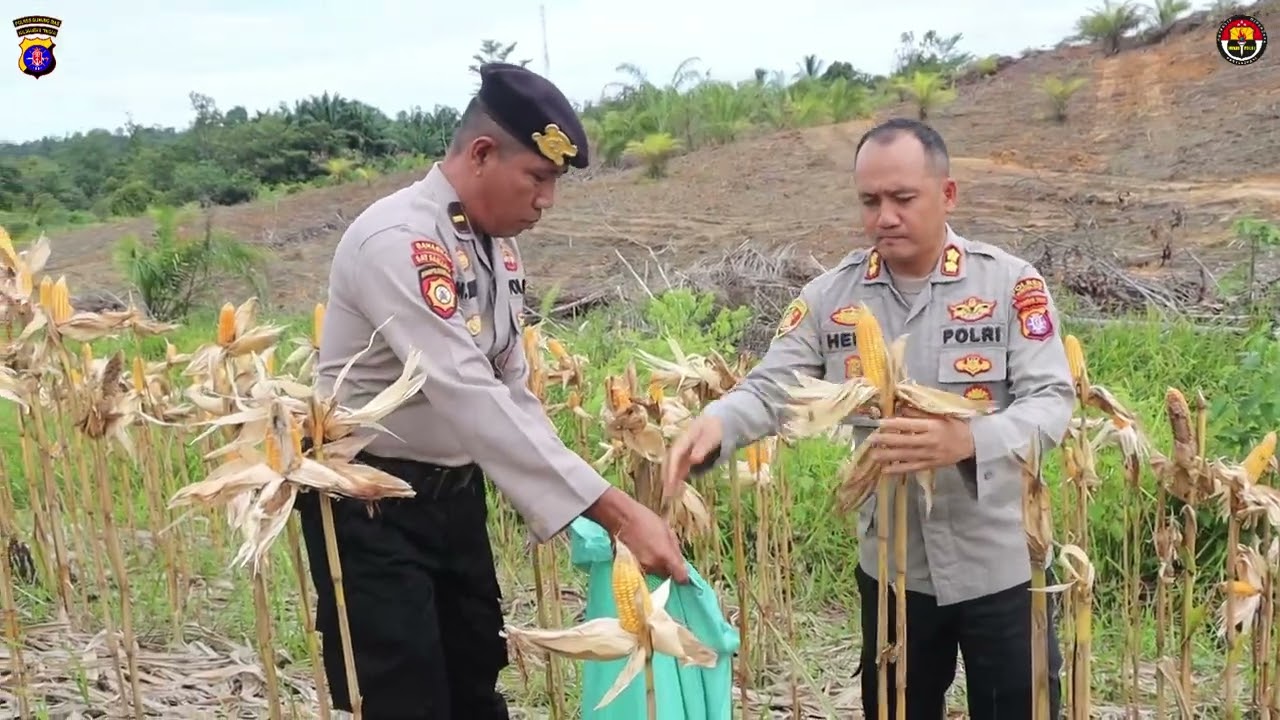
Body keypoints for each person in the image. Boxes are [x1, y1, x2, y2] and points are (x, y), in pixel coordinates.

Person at [297, 62, 690, 719]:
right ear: (482, 153)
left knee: (476, 680)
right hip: (371, 510)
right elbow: (465, 390)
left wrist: (580, 506)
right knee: (404, 697)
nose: (547, 200)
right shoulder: (399, 242)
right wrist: (616, 511)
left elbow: (513, 389)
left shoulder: (495, 250)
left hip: (453, 502)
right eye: (538, 178)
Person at [662, 117, 1074, 720]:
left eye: (903, 198)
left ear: (947, 195)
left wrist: (966, 439)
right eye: (870, 201)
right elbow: (774, 386)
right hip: (894, 569)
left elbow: (1051, 402)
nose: (885, 216)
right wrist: (718, 424)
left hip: (1003, 560)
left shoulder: (1011, 285)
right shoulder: (833, 298)